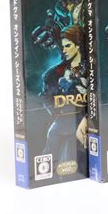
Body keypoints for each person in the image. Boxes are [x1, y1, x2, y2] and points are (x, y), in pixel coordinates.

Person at [41, 25, 87, 174]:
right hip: (62, 122)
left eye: (68, 46)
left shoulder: (90, 69)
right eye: (63, 46)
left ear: (78, 46)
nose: (64, 50)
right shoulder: (51, 75)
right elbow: (46, 98)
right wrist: (59, 112)